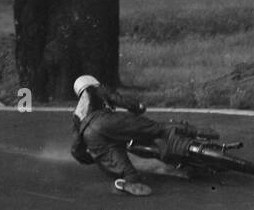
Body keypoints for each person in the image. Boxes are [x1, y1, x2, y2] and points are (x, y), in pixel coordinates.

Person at [71, 75, 214, 197]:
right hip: (106, 121)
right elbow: (117, 98)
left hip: (91, 136)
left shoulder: (77, 113)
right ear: (92, 82)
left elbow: (76, 149)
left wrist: (95, 158)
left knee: (128, 172)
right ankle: (194, 131)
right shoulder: (96, 89)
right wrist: (137, 107)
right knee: (158, 129)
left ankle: (129, 181)